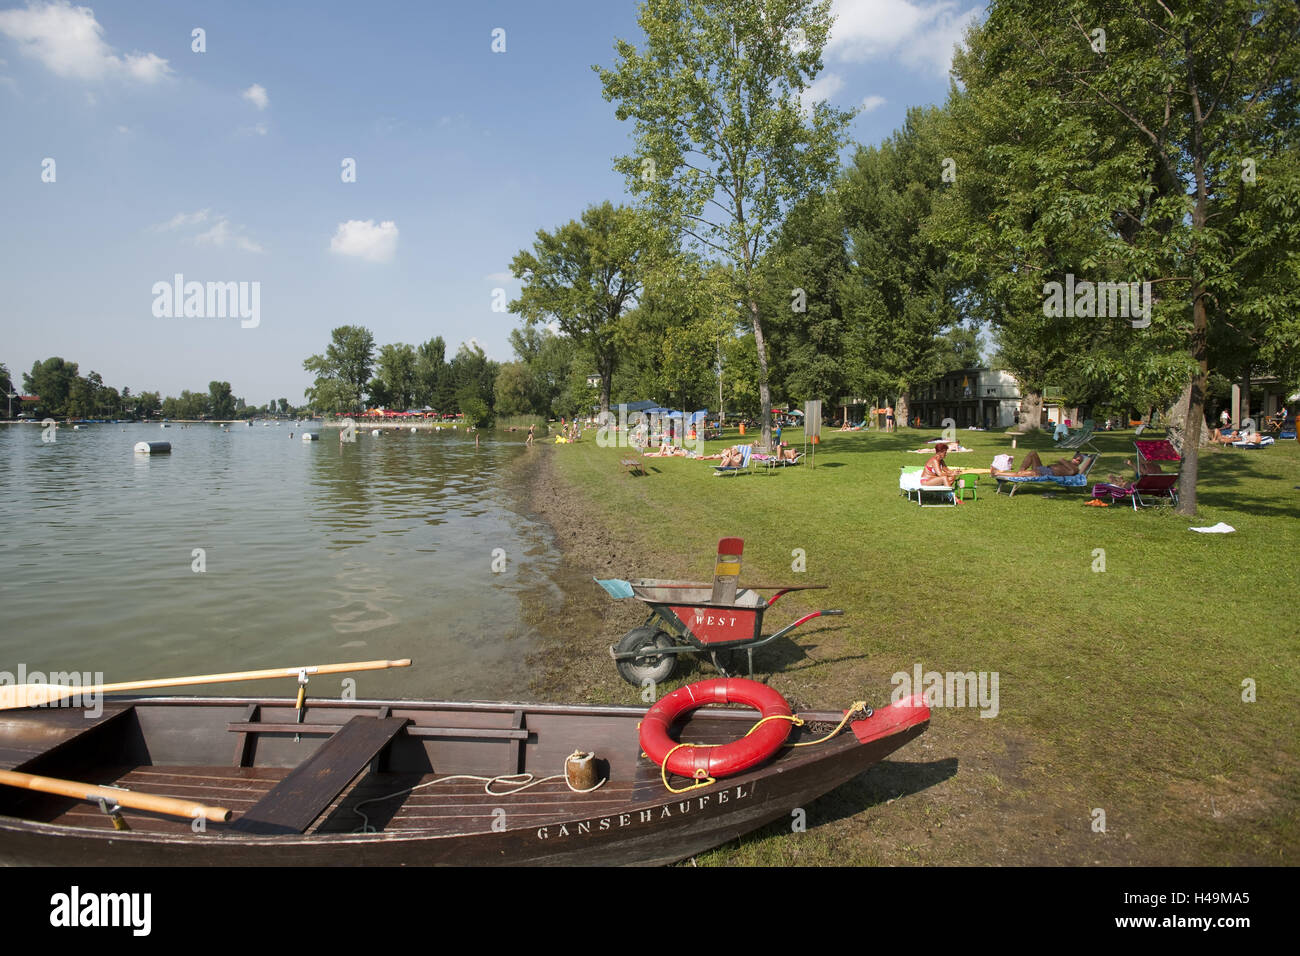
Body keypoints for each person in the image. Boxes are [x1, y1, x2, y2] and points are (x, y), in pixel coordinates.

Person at [991, 450, 1086, 478]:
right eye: (1074, 458)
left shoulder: (1075, 469)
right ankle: (1022, 469)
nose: (1074, 460)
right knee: (1033, 453)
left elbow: (1070, 472)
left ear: (1079, 462)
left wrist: (1063, 461)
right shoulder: (1069, 464)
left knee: (1022, 475)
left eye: (1077, 460)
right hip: (1043, 468)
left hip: (1046, 473)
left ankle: (998, 473)